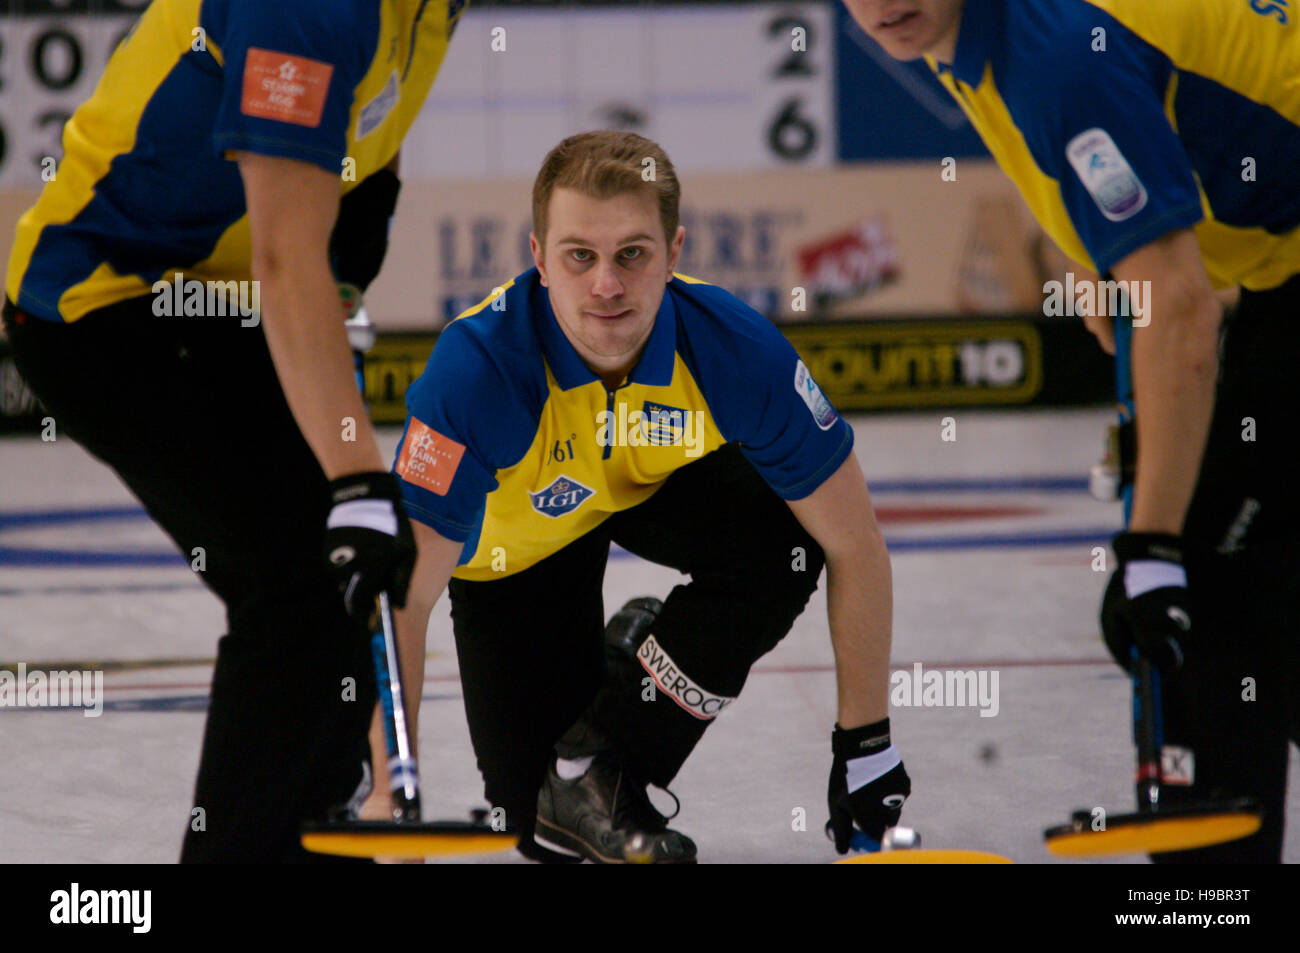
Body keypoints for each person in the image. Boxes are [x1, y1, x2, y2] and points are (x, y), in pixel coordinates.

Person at [2, 0, 468, 862]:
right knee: (302, 577)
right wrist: (358, 480)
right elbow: (284, 258)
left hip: (224, 298)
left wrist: (355, 253)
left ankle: (311, 834)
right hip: (103, 300)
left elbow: (370, 125)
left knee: (334, 576)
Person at [843, 0, 1300, 861]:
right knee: (1241, 573)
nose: (880, 2)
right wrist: (1102, 257)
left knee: (1197, 584)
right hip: (1284, 265)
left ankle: (1211, 902)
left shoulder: (1055, 53)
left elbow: (1180, 308)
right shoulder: (965, 34)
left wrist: (1151, 544)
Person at [384, 130, 910, 863]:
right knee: (536, 824)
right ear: (538, 258)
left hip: (642, 488)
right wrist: (388, 793)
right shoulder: (475, 374)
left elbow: (855, 542)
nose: (607, 285)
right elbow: (402, 598)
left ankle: (597, 756)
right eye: (580, 256)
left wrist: (867, 747)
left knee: (788, 542)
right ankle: (624, 663)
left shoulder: (737, 352)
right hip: (513, 554)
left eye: (632, 253)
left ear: (674, 252)